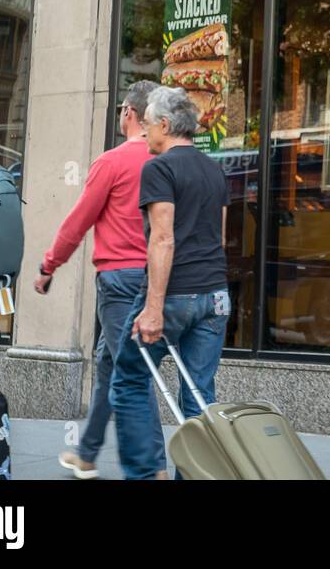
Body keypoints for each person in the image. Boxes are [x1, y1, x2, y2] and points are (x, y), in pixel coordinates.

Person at [36, 79, 163, 480]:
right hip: (156, 277)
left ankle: (152, 467)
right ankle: (87, 452)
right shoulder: (166, 159)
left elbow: (79, 221)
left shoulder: (111, 161)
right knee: (110, 362)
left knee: (132, 373)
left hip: (120, 281)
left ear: (128, 113)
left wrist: (49, 265)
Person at [109, 86, 230, 480]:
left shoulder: (158, 169)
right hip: (215, 296)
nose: (144, 133)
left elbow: (162, 239)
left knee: (127, 378)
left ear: (164, 124)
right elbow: (221, 239)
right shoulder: (215, 168)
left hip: (175, 295)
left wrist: (153, 307)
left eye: (147, 126)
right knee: (199, 399)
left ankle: (147, 473)